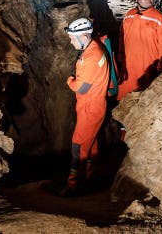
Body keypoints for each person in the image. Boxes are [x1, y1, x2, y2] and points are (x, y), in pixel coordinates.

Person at [60, 17, 110, 197]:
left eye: (73, 38)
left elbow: (81, 87)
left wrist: (70, 80)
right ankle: (91, 178)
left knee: (78, 146)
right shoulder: (94, 48)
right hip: (94, 106)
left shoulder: (91, 56)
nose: (71, 41)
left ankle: (74, 186)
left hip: (90, 109)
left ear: (84, 36)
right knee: (91, 143)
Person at [116, 0, 162, 101]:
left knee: (142, 99)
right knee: (123, 97)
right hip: (128, 66)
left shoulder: (160, 19)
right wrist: (120, 53)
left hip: (146, 69)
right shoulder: (129, 15)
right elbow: (122, 36)